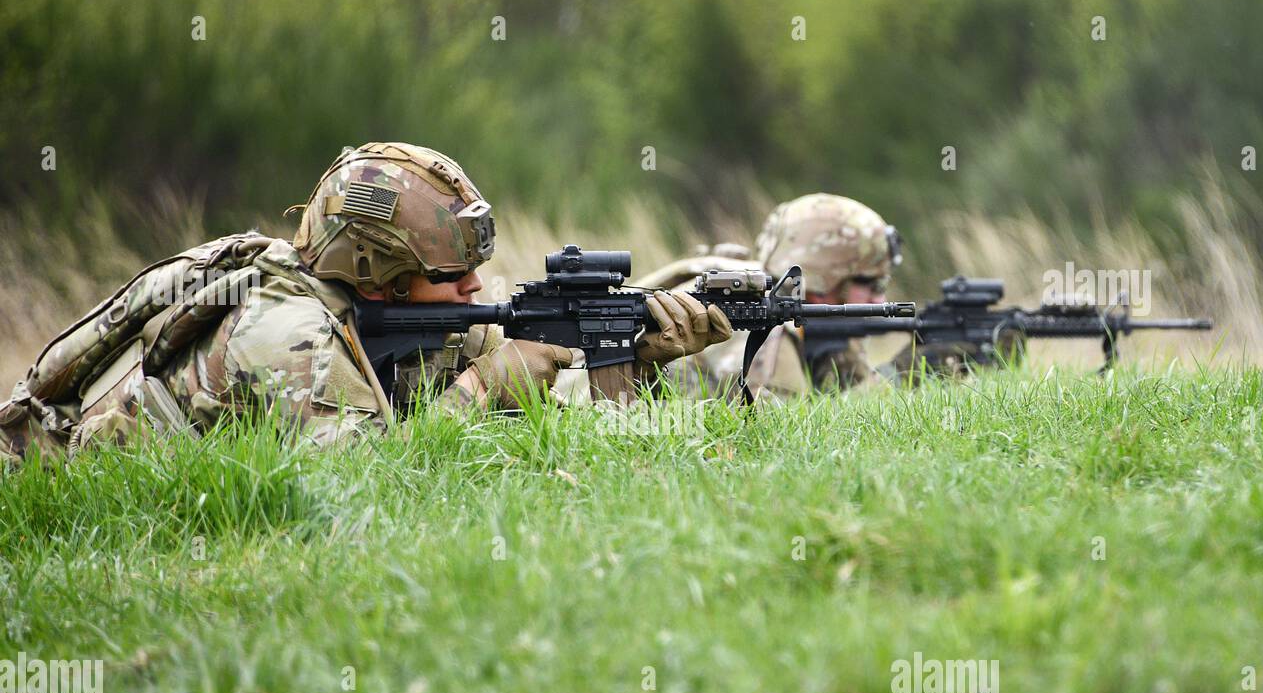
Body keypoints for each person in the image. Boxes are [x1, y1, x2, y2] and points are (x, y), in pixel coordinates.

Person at [0, 142, 728, 463]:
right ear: (377, 275)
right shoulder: (285, 333)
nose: (476, 289)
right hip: (55, 485)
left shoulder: (412, 317)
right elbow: (368, 482)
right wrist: (480, 391)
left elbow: (555, 416)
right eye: (452, 275)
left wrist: (631, 358)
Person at [636, 193, 903, 401]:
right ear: (824, 277)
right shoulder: (760, 322)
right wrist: (899, 374)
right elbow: (781, 435)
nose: (879, 300)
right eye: (872, 283)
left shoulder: (797, 321)